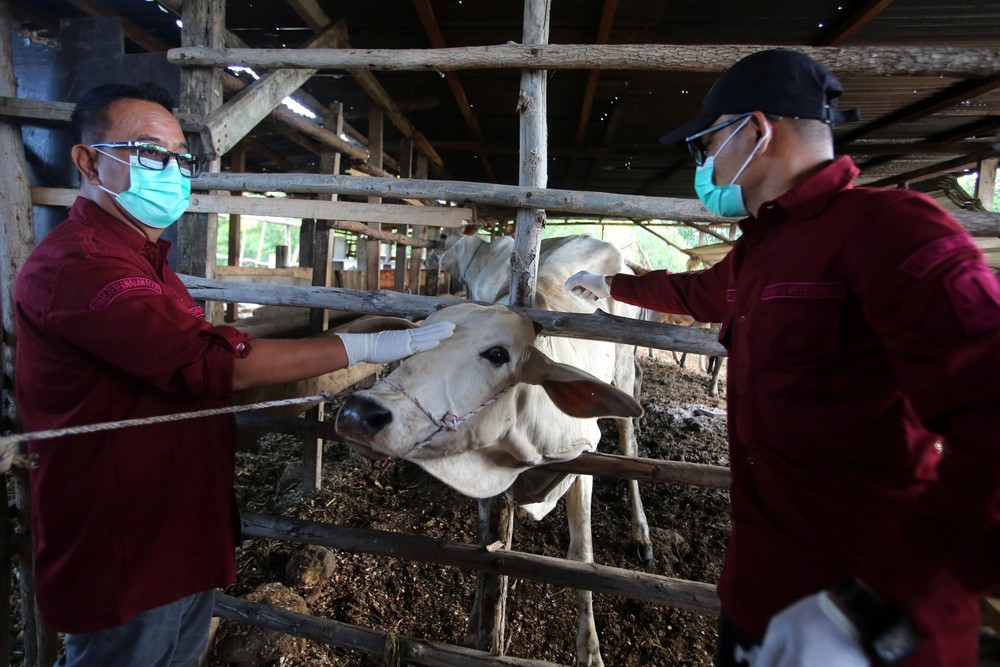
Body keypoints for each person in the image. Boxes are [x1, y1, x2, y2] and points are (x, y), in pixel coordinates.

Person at [566, 49, 1000, 667]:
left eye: (707, 144)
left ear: (758, 131)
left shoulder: (895, 231)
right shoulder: (759, 252)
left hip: (865, 621)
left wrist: (887, 598)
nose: (707, 163)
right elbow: (695, 293)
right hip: (761, 589)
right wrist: (612, 286)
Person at [13, 82, 453, 667]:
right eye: (149, 153)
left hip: (181, 524)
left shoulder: (146, 262)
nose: (170, 171)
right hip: (124, 537)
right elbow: (210, 363)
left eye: (178, 158)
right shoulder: (80, 266)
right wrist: (366, 343)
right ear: (90, 160)